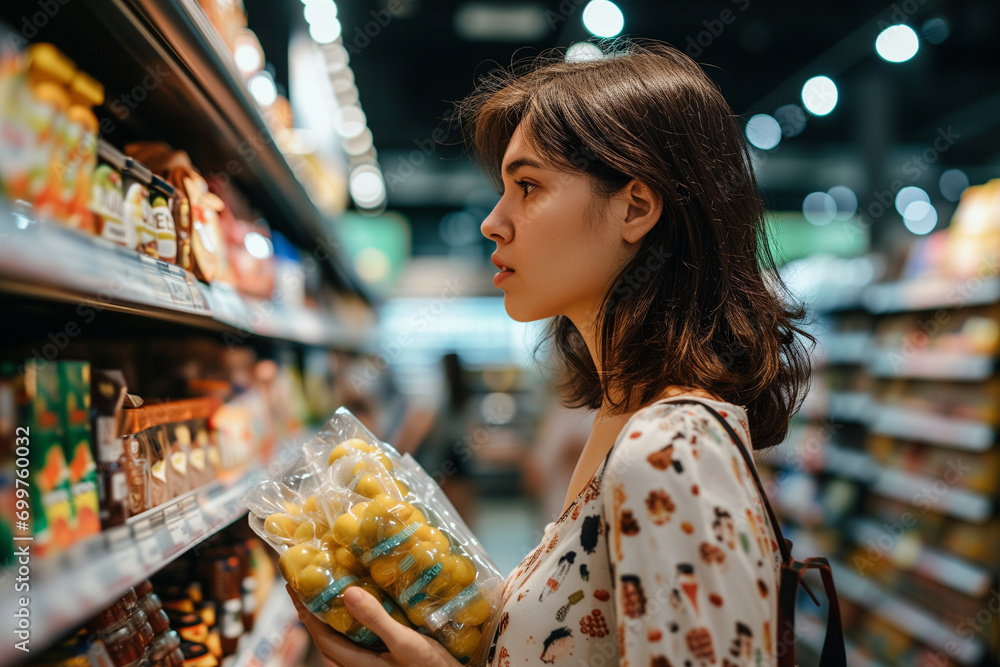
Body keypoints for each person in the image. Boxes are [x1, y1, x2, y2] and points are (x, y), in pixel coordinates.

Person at [288, 39, 814, 667]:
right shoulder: (623, 421)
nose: (492, 221)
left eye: (528, 186)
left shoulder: (668, 448)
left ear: (636, 207)